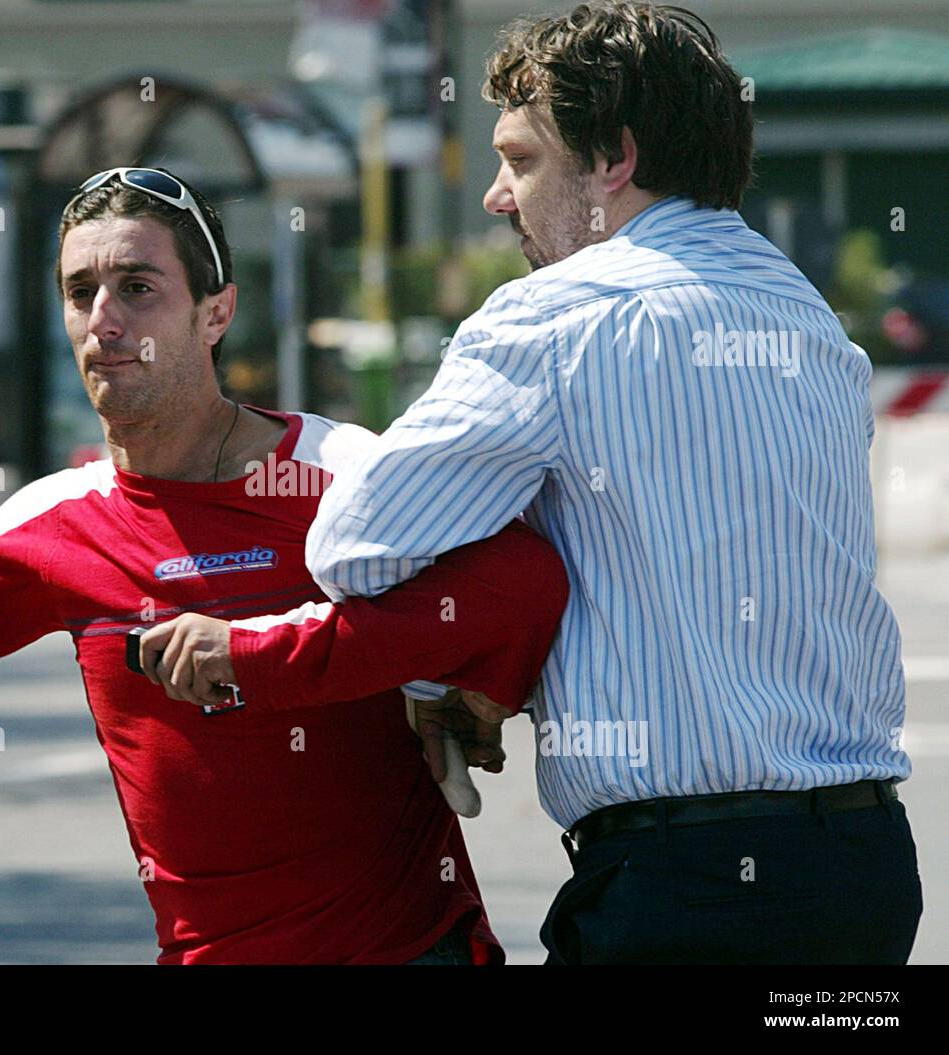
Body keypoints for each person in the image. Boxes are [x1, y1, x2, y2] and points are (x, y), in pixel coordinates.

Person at [0, 167, 568, 964]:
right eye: (81, 293)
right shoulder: (58, 523)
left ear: (217, 312)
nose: (104, 322)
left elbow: (524, 582)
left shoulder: (341, 471)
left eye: (138, 287)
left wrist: (448, 687)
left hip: (407, 949)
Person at [294, 3, 922, 964]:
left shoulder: (554, 320)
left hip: (685, 888)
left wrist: (448, 669)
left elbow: (356, 545)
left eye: (522, 158)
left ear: (614, 159)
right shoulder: (810, 324)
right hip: (865, 869)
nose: (501, 196)